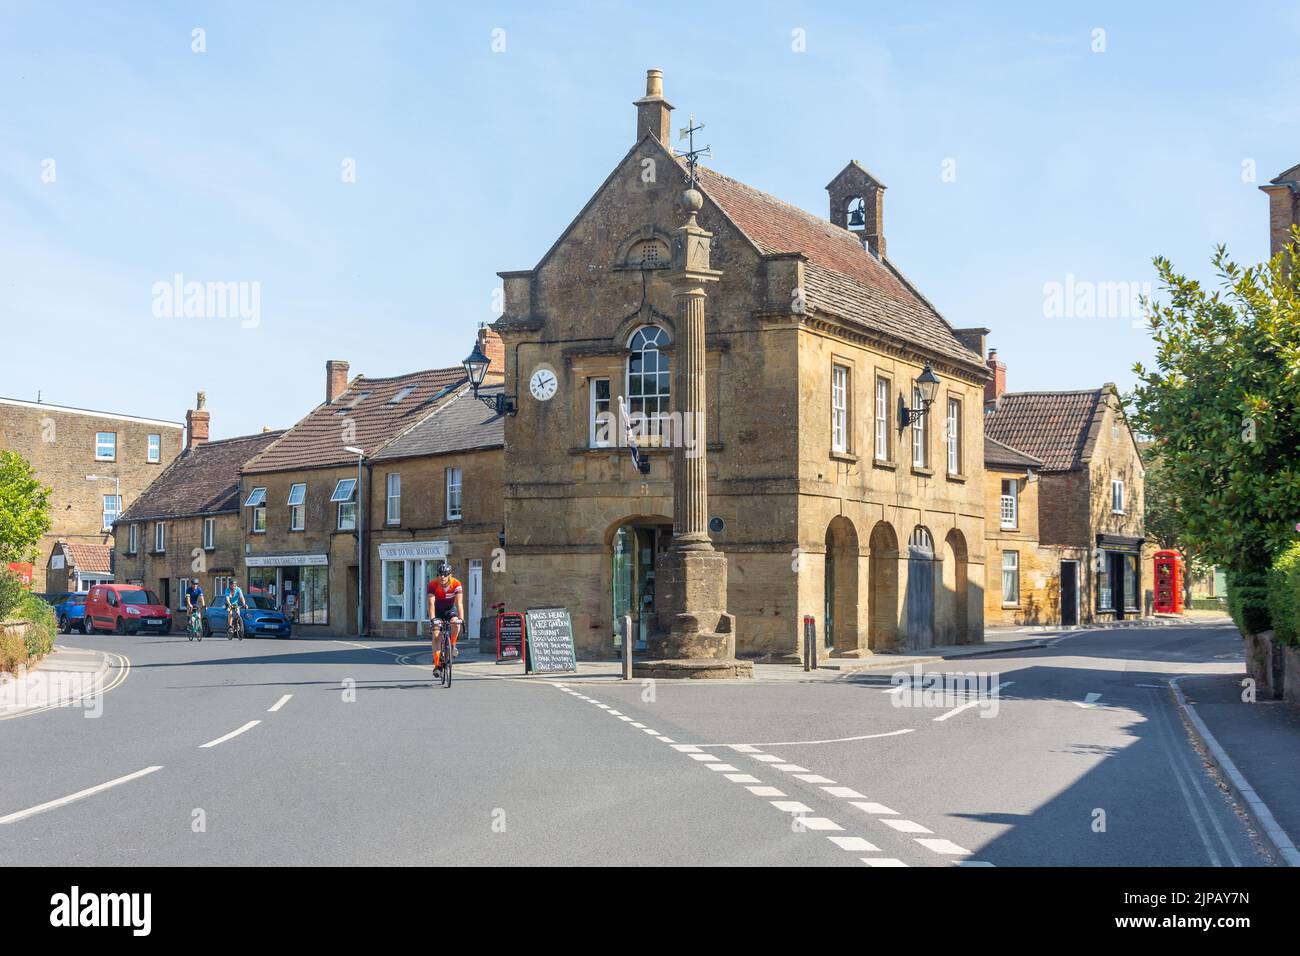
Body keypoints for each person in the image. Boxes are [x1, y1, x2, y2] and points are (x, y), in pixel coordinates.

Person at [426, 562, 463, 677]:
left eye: (445, 574)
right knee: (436, 634)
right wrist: (433, 620)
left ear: (450, 575)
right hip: (437, 611)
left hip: (450, 609)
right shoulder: (433, 584)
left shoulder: (456, 583)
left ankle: (452, 645)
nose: (442, 577)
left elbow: (459, 603)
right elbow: (431, 603)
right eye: (440, 574)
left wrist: (461, 618)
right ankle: (437, 665)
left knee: (456, 624)